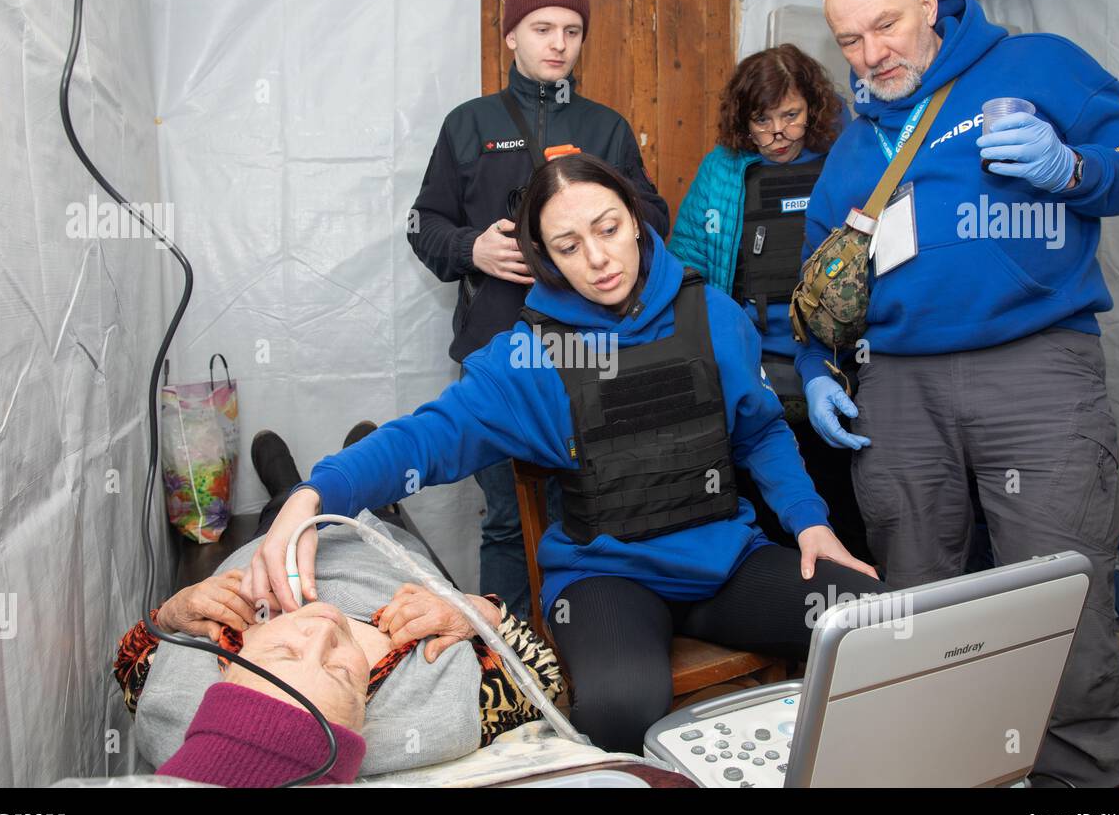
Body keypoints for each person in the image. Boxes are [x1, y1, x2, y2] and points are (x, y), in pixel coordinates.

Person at [251, 153, 884, 755]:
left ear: (634, 221)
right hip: (605, 579)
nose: (599, 258)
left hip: (723, 562)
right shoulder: (528, 358)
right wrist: (314, 493)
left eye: (608, 229)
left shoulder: (713, 313)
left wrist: (811, 523)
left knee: (878, 623)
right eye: (568, 247)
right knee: (620, 705)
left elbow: (761, 432)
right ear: (545, 260)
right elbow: (423, 437)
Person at [803, 0, 1119, 786]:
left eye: (887, 25)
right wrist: (814, 367)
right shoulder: (852, 148)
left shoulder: (1036, 65)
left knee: (1059, 595)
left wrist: (1074, 169)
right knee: (917, 601)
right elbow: (816, 287)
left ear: (929, 4)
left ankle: (1078, 794)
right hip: (897, 389)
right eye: (850, 40)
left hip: (1037, 371)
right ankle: (944, 767)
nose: (872, 54)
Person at [406, 0, 669, 621]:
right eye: (542, 27)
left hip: (593, 353)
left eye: (573, 30)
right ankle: (509, 666)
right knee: (503, 520)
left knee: (592, 511)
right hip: (499, 351)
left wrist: (603, 230)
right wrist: (474, 248)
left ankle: (586, 652)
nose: (559, 43)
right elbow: (422, 224)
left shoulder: (607, 127)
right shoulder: (468, 123)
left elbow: (655, 220)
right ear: (510, 37)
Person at [114, 429, 564, 787]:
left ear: (230, 664)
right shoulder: (439, 714)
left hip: (272, 550)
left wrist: (170, 614)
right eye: (341, 673)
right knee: (383, 510)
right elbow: (543, 677)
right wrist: (474, 613)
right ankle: (364, 470)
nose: (325, 631)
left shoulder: (173, 717)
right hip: (376, 551)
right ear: (362, 717)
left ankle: (286, 484)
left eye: (283, 655)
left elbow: (133, 658)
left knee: (281, 512)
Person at [668, 44, 867, 561]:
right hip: (754, 367)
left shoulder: (847, 157)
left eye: (791, 116)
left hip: (840, 362)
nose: (777, 133)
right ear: (743, 119)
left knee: (842, 503)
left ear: (814, 108)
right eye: (762, 120)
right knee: (766, 502)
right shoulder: (723, 170)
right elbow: (685, 265)